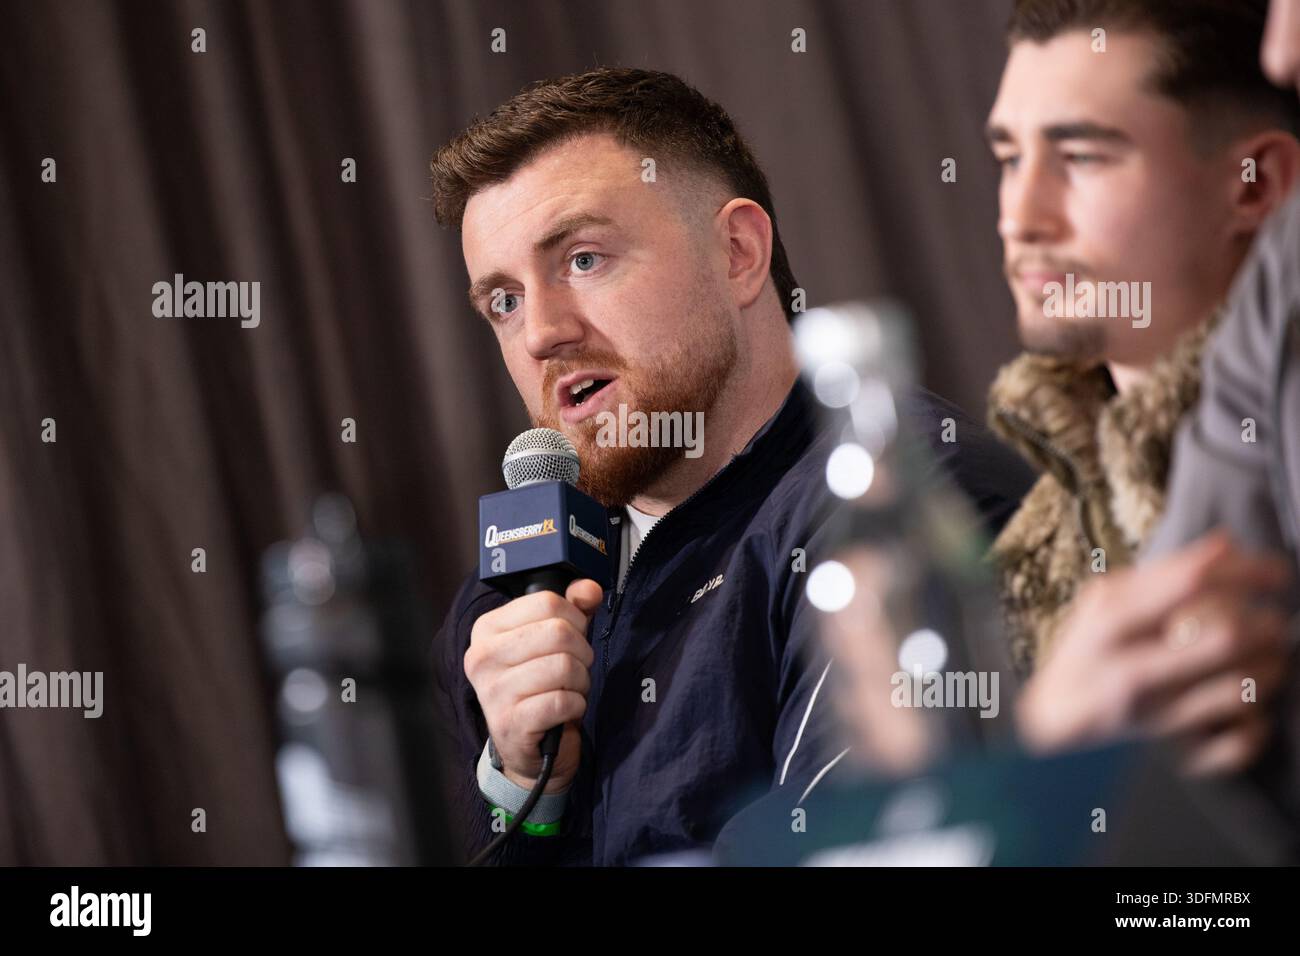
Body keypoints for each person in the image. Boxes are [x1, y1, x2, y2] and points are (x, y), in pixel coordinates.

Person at [426, 67, 1032, 865]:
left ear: (739, 252)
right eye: (503, 300)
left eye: (582, 260)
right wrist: (520, 789)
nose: (540, 333)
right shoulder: (508, 596)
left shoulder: (896, 511)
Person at [982, 0, 1300, 676]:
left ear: (1256, 185)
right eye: (1010, 159)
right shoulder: (1023, 564)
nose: (1020, 217)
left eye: (1081, 156)